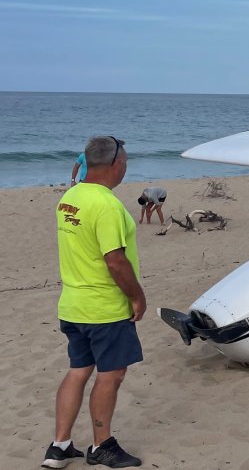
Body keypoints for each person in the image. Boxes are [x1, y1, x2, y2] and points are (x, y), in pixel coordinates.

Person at [44, 135, 145, 469]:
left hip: (73, 304)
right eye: (126, 161)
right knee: (111, 375)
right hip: (104, 307)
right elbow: (115, 260)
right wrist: (137, 296)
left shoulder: (70, 197)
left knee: (78, 371)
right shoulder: (106, 205)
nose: (126, 167)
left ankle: (59, 447)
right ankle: (102, 445)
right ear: (116, 164)